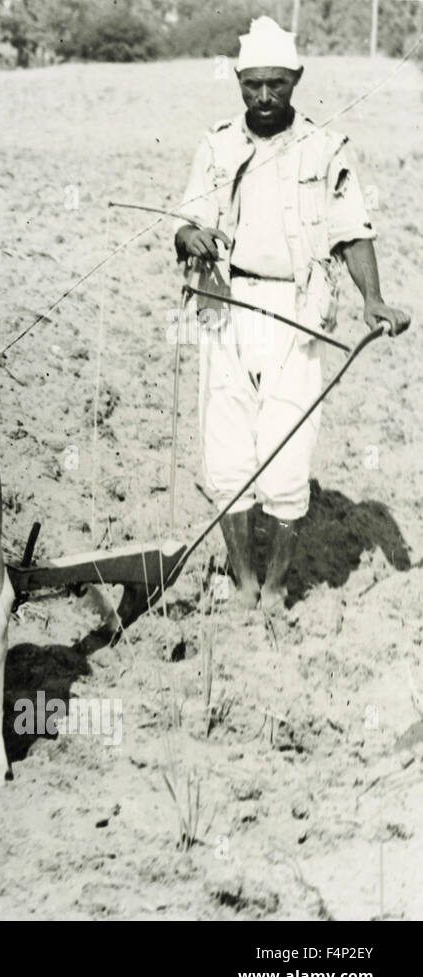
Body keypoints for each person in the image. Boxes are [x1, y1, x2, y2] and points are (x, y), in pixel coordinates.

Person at [174, 16, 409, 611]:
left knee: (287, 453)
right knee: (226, 453)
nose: (263, 97)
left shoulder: (325, 149)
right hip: (223, 303)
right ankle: (243, 580)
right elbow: (188, 219)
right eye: (252, 85)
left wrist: (372, 299)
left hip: (296, 310)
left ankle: (276, 584)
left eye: (276, 84)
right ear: (238, 80)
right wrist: (187, 237)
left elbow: (353, 234)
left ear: (297, 78)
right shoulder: (217, 143)